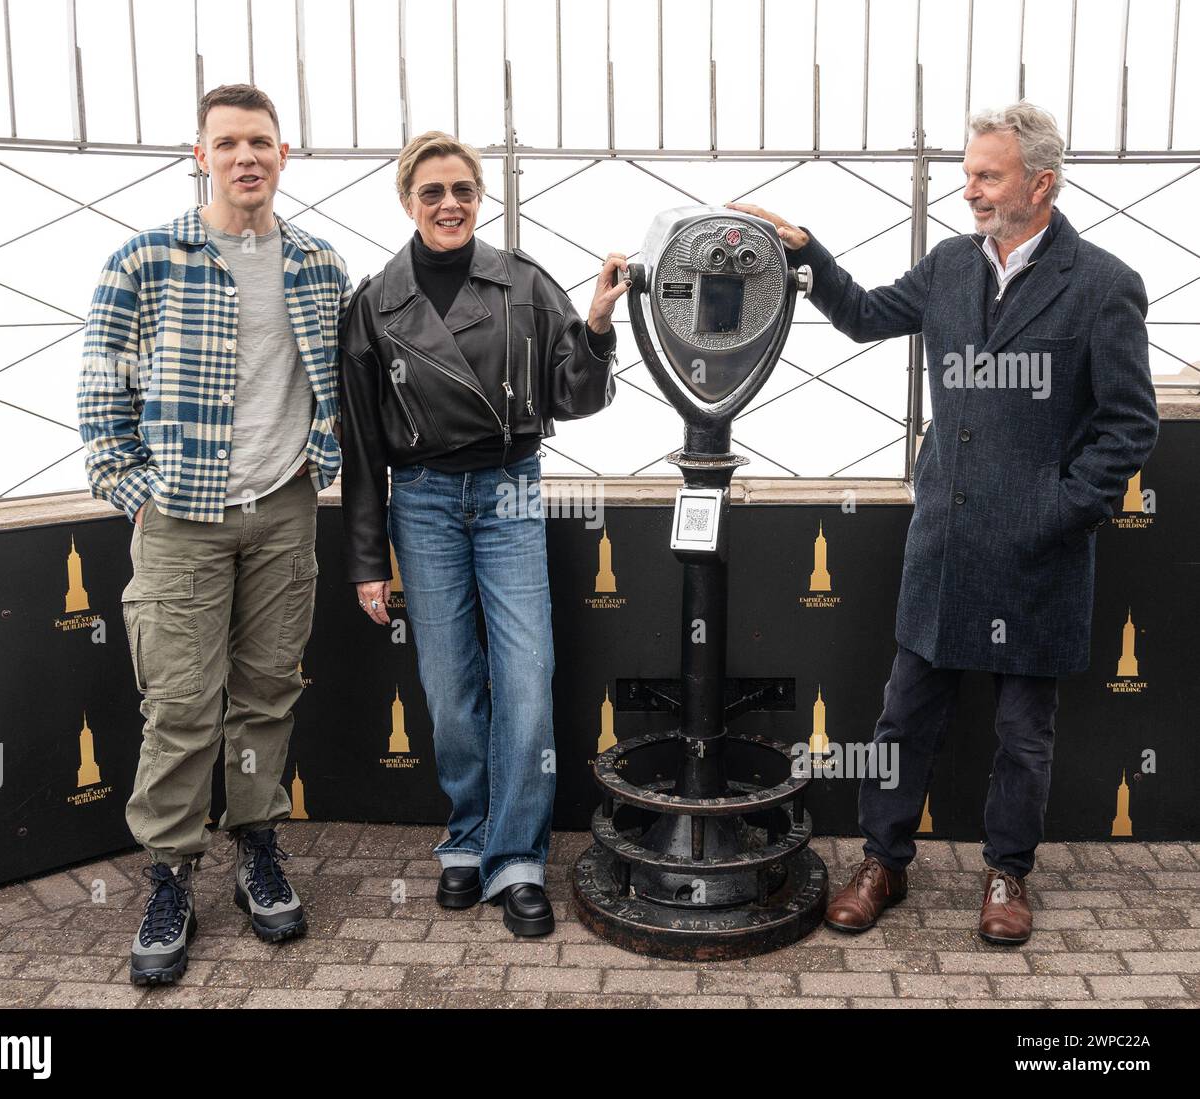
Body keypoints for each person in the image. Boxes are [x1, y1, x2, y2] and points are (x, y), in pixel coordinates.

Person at [731, 101, 1158, 945]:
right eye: (967, 174)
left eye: (986, 176)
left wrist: (1060, 510)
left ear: (1041, 182)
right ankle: (883, 861)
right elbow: (862, 316)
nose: (970, 191)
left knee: (1022, 736)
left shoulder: (1105, 284)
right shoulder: (950, 266)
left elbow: (1129, 424)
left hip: (1038, 557)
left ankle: (1007, 874)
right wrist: (805, 251)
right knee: (902, 720)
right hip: (947, 547)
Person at [78, 83, 352, 984]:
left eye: (261, 142)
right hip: (181, 520)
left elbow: (337, 385)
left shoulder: (319, 265)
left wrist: (321, 458)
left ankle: (256, 849)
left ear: (284, 156)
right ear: (199, 154)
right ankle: (169, 876)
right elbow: (99, 392)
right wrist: (132, 489)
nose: (246, 156)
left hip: (282, 509)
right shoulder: (143, 261)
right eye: (228, 142)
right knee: (182, 705)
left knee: (267, 692)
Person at [340, 131, 626, 937]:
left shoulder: (524, 284)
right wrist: (369, 557)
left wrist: (598, 325)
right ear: (407, 201)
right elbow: (360, 445)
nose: (449, 204)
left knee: (526, 680)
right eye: (431, 192)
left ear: (481, 196)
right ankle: (465, 839)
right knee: (450, 689)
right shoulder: (372, 302)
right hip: (422, 500)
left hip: (509, 491)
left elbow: (575, 396)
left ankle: (517, 858)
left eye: (462, 189)